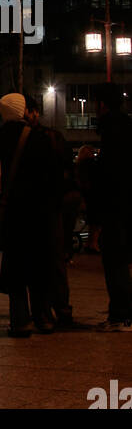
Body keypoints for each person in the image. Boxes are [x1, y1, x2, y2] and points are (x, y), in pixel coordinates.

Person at [0, 92, 54, 337]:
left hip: (9, 214)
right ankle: (44, 317)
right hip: (37, 213)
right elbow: (51, 176)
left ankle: (20, 320)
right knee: (39, 266)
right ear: (22, 110)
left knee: (15, 268)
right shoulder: (39, 138)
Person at [24, 93, 74, 327]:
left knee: (36, 260)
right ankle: (61, 308)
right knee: (55, 260)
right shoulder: (54, 137)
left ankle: (42, 310)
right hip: (52, 205)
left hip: (32, 207)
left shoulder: (25, 140)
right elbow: (66, 171)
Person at [91, 84, 132, 331]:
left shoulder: (111, 132)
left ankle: (121, 315)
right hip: (126, 206)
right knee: (123, 261)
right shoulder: (127, 127)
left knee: (115, 262)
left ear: (103, 105)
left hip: (116, 208)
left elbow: (108, 177)